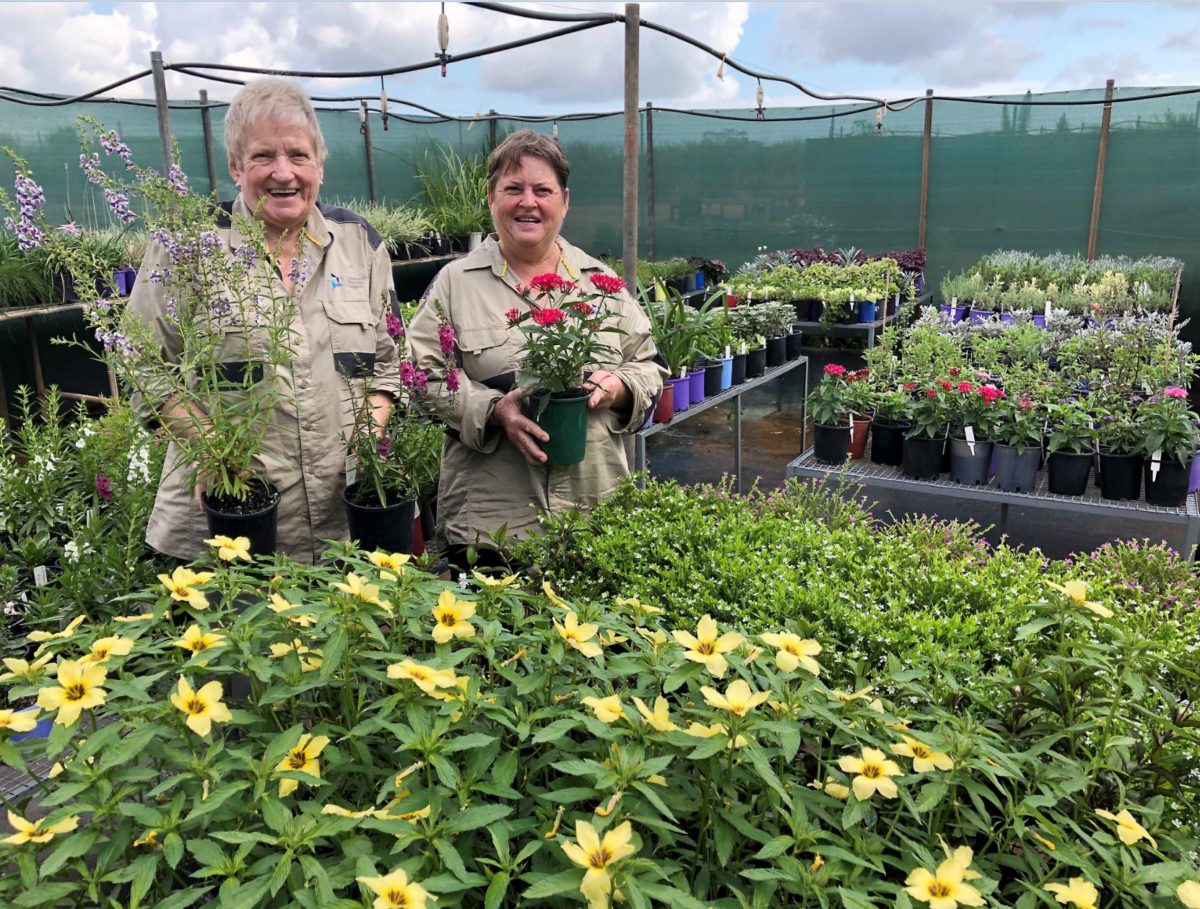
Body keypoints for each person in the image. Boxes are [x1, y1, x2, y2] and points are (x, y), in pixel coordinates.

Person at [127, 78, 403, 562]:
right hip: (222, 525)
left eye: (298, 155)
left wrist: (370, 435)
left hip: (342, 526)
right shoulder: (188, 247)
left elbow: (388, 362)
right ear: (235, 166)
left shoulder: (360, 245)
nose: (284, 173)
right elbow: (140, 361)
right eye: (262, 157)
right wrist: (212, 450)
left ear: (319, 162)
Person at [407, 130, 666, 565]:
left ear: (564, 201)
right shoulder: (455, 284)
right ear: (491, 197)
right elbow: (421, 377)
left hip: (594, 511)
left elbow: (651, 367)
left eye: (542, 190)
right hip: (490, 522)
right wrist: (492, 410)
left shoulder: (600, 282)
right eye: (513, 189)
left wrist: (618, 386)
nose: (528, 202)